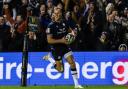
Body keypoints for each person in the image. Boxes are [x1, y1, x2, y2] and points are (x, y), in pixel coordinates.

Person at [43, 8, 83, 89]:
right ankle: (50, 59)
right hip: (56, 48)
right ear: (53, 14)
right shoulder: (51, 26)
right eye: (55, 13)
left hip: (65, 46)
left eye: (58, 13)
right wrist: (61, 40)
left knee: (72, 62)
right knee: (61, 70)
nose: (57, 15)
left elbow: (70, 31)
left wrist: (73, 35)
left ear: (61, 14)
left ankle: (76, 85)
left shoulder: (64, 22)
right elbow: (49, 40)